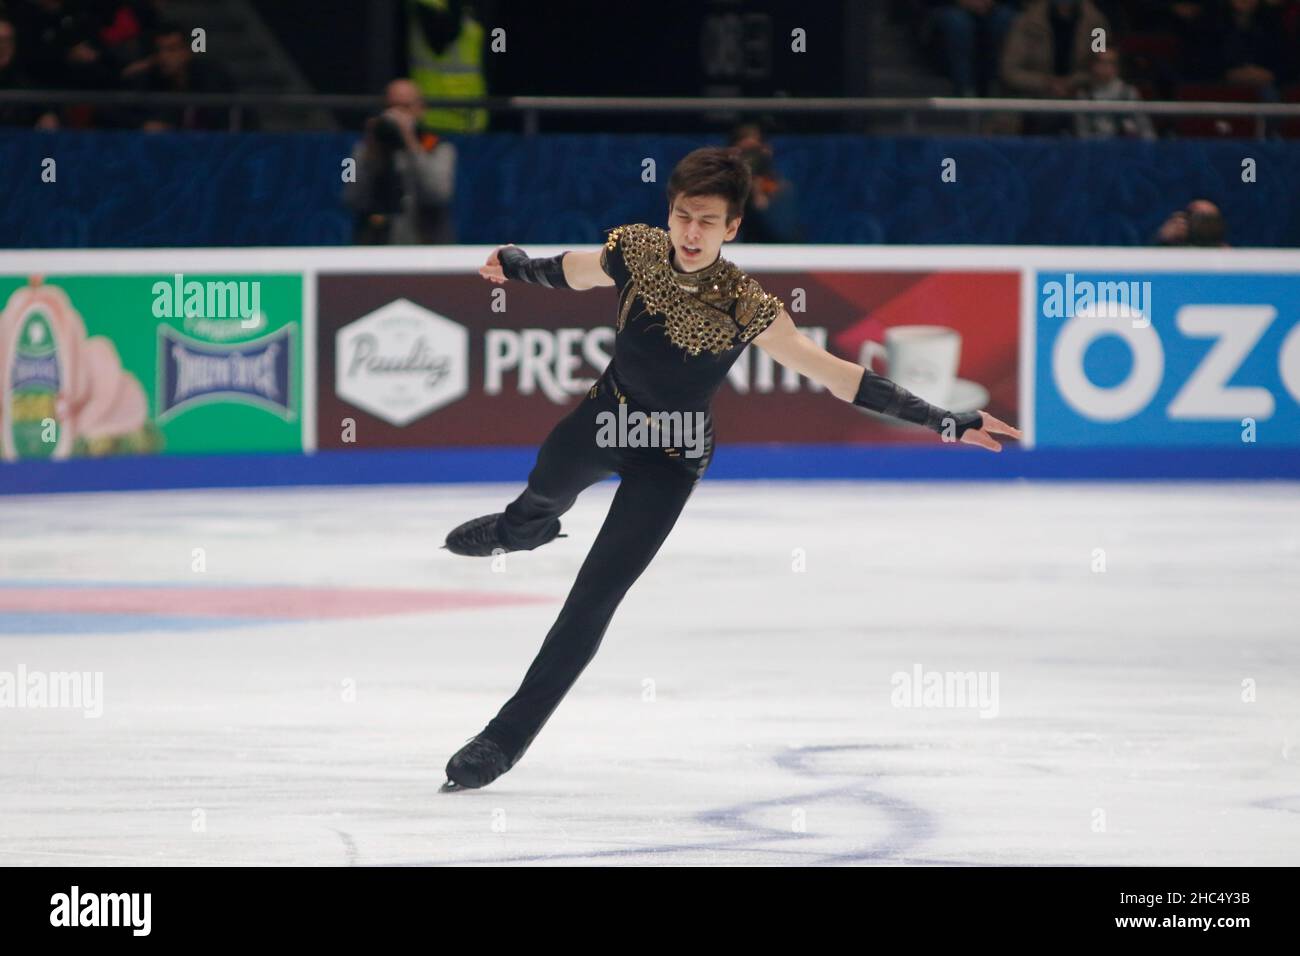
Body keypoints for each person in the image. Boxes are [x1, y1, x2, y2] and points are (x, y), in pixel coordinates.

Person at [436, 147, 1021, 791]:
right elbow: (569, 271)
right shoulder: (634, 252)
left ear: (732, 227)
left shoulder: (748, 304)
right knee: (542, 491)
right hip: (605, 419)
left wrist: (950, 419)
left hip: (673, 458)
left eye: (707, 221)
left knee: (593, 600)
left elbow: (840, 378)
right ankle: (520, 531)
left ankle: (501, 740)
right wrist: (515, 264)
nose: (691, 232)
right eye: (683, 216)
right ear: (669, 214)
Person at [344, 79, 458, 245]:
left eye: (404, 107)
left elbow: (439, 193)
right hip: (375, 246)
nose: (396, 115)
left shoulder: (440, 147)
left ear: (420, 109)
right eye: (392, 107)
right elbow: (350, 197)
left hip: (426, 246)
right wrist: (371, 151)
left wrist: (410, 140)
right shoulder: (360, 150)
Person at [1074, 48, 1157, 139]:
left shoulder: (1128, 93)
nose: (1105, 67)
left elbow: (1146, 131)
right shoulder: (1084, 94)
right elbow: (1082, 134)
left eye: (1110, 63)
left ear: (1117, 68)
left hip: (1124, 149)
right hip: (1094, 148)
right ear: (1092, 66)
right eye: (1100, 62)